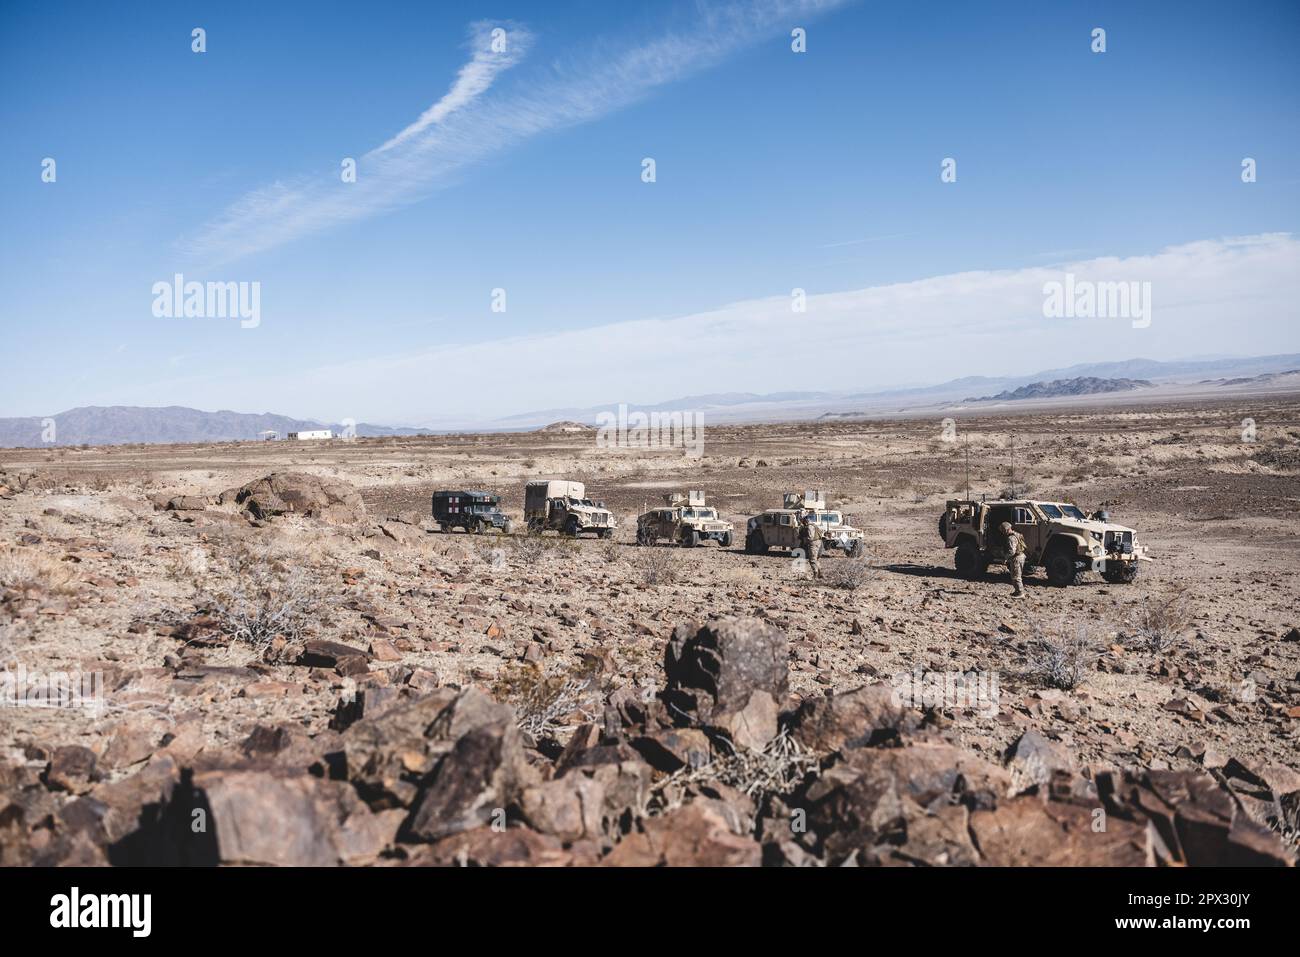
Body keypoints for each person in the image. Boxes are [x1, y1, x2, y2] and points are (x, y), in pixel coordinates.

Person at [995, 521, 1027, 597]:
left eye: (1002, 531)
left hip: (1017, 557)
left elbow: (1012, 551)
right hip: (1020, 556)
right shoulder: (1017, 534)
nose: (1002, 532)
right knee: (1016, 575)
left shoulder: (1011, 538)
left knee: (1016, 576)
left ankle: (1020, 592)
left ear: (1005, 530)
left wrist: (1005, 558)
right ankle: (1017, 591)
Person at [798, 512, 823, 580]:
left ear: (805, 519)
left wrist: (804, 539)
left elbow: (810, 537)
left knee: (812, 560)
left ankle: (816, 574)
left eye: (802, 520)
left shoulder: (810, 526)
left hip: (813, 544)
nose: (801, 521)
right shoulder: (813, 525)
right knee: (815, 559)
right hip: (817, 543)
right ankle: (820, 574)